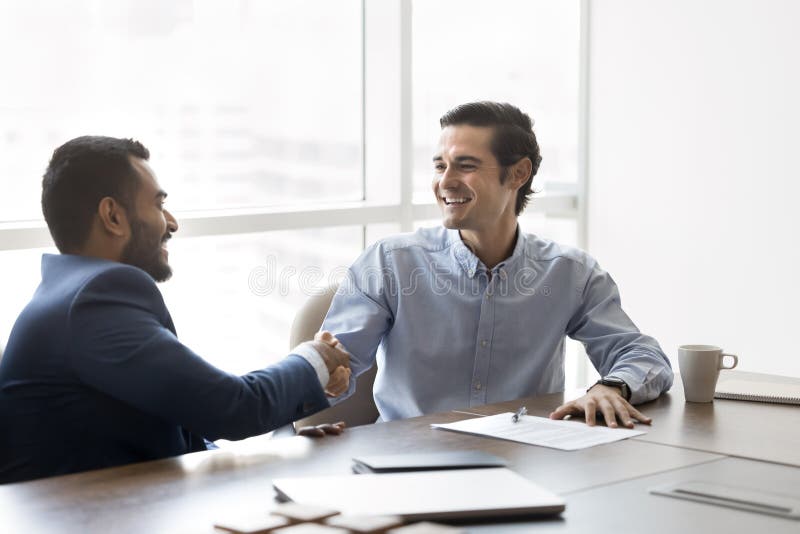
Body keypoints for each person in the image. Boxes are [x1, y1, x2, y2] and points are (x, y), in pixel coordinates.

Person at [0, 136, 351, 484]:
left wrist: (278, 448)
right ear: (112, 216)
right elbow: (232, 408)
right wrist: (316, 357)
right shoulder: (95, 300)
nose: (171, 222)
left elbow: (180, 438)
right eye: (157, 204)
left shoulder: (70, 294)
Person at [322, 101, 673, 427]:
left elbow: (643, 355)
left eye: (466, 165)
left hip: (526, 463)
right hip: (409, 467)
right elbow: (326, 369)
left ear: (519, 173)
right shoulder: (390, 263)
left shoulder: (570, 273)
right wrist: (293, 413)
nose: (444, 182)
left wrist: (612, 387)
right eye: (440, 166)